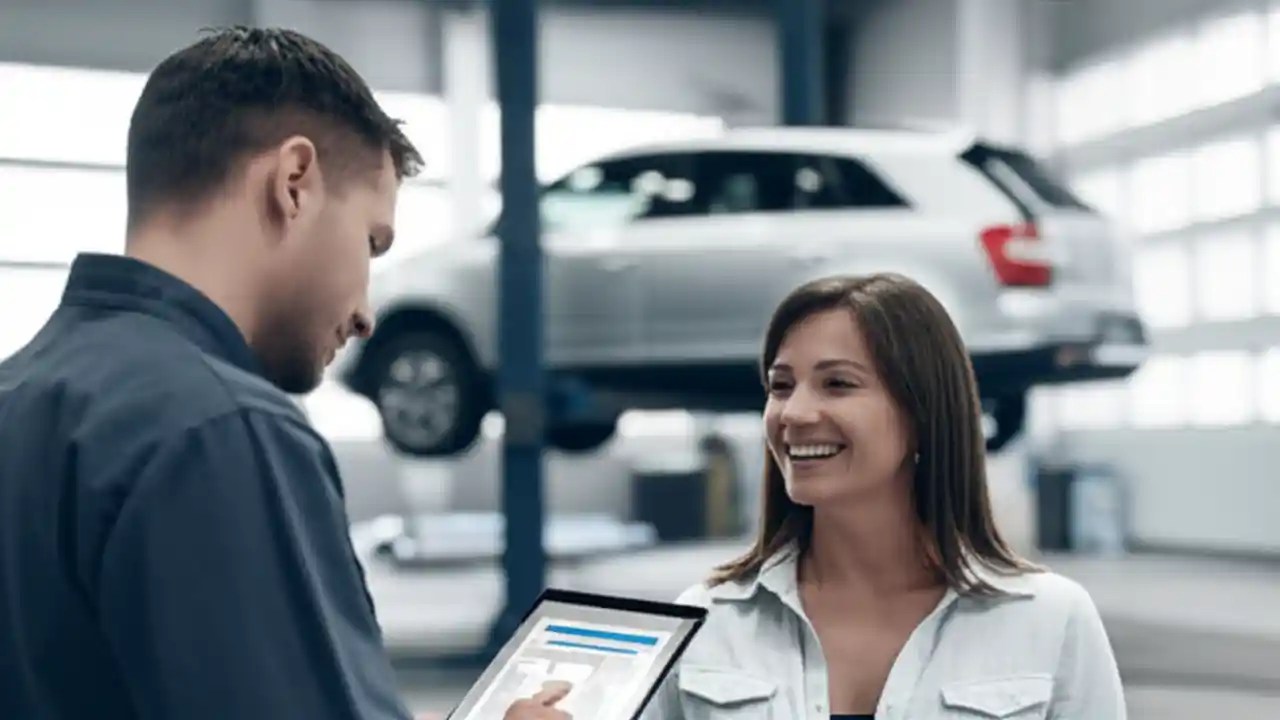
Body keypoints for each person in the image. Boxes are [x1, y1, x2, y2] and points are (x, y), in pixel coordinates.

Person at [0, 27, 568, 720]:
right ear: (294, 182)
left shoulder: (21, 395)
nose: (365, 315)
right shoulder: (218, 427)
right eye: (370, 241)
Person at [640, 274, 1126, 720]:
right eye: (781, 386)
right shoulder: (709, 618)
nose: (794, 412)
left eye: (838, 384)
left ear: (922, 412)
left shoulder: (1050, 618)